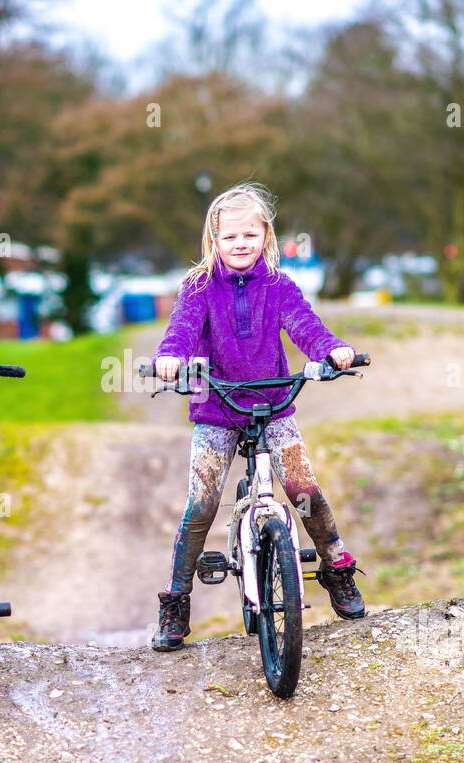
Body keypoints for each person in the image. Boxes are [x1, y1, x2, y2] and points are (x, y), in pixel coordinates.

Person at [149, 182, 367, 652]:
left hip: (273, 402)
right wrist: (171, 357)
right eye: (229, 238)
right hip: (216, 408)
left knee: (303, 489)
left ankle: (336, 566)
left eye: (249, 235)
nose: (240, 244)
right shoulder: (199, 288)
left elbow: (306, 326)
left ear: (266, 236)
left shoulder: (280, 285)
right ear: (214, 242)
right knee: (202, 501)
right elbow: (182, 330)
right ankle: (176, 599)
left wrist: (333, 350)